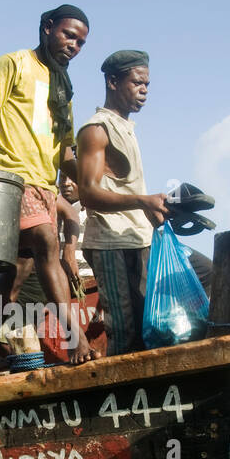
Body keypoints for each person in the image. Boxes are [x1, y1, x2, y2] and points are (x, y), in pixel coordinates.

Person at [0, 3, 95, 363]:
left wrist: (93, 184)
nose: (74, 45)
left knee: (16, 272)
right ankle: (76, 338)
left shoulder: (63, 90)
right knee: (45, 248)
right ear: (47, 27)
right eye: (68, 35)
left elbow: (64, 152)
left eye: (81, 42)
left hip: (45, 185)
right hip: (12, 178)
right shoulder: (14, 63)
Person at [75, 50, 169, 356]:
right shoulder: (97, 130)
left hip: (138, 238)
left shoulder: (126, 128)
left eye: (147, 85)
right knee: (126, 332)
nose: (144, 90)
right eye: (137, 83)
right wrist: (142, 200)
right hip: (110, 242)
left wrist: (153, 208)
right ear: (113, 81)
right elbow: (87, 193)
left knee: (150, 326)